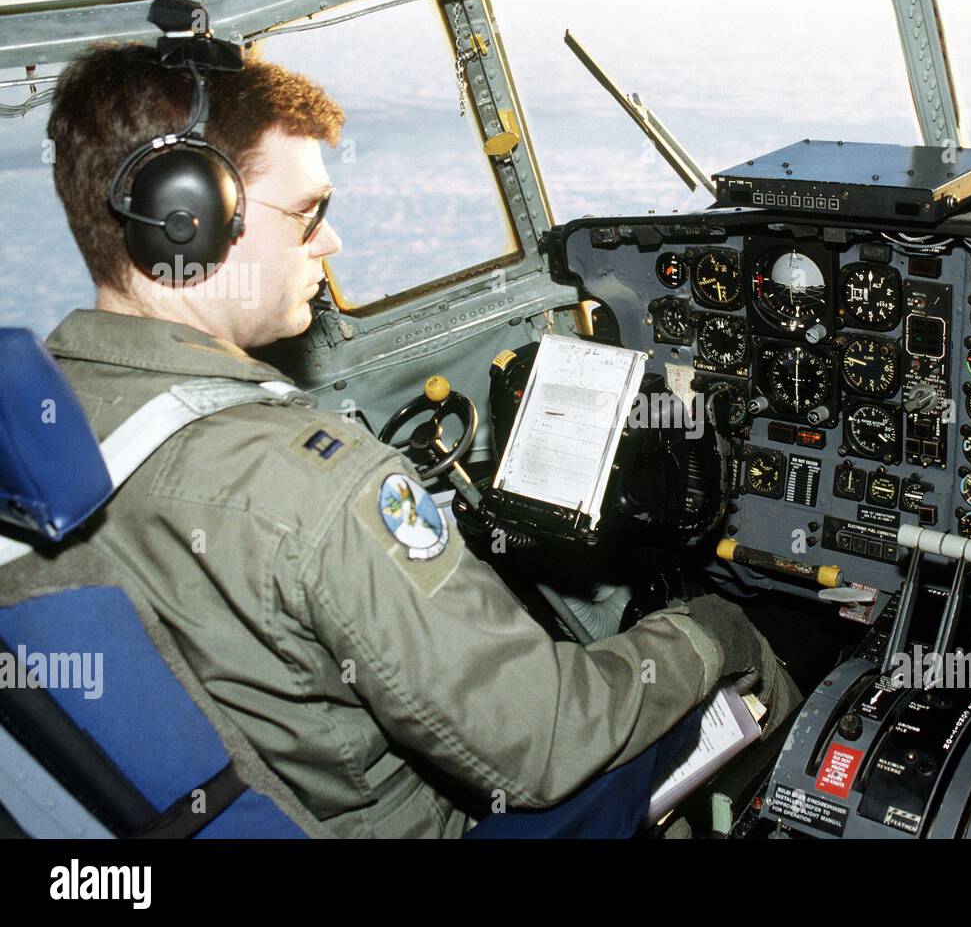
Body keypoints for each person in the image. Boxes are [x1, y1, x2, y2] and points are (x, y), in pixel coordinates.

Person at [23, 42, 791, 838]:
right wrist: (704, 633)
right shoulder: (314, 483)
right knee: (736, 651)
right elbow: (541, 739)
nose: (331, 243)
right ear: (187, 221)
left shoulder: (35, 434)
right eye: (307, 213)